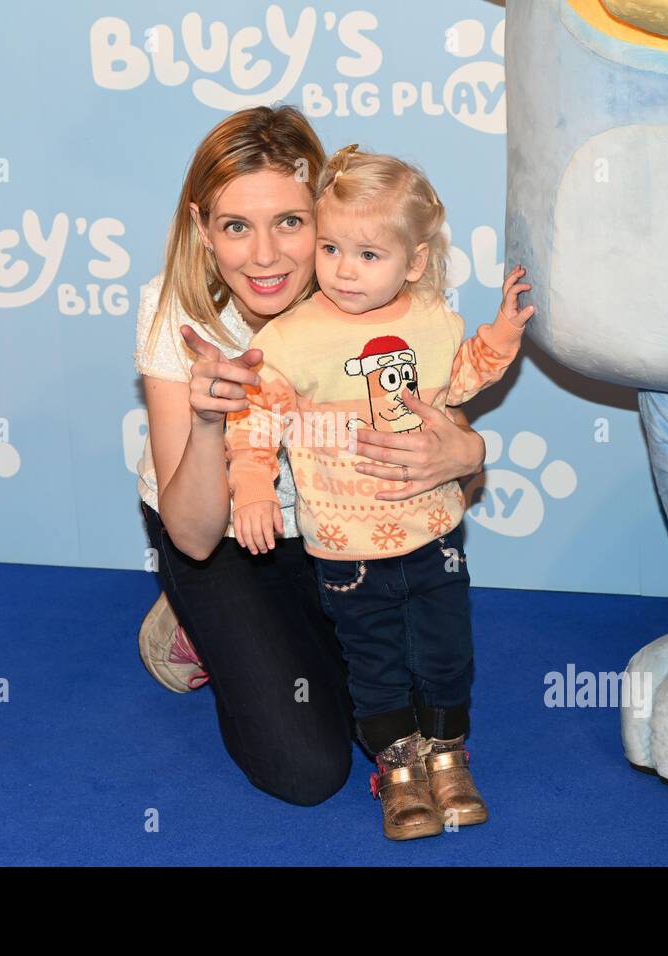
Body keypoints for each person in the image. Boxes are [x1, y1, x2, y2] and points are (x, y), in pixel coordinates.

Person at [133, 106, 490, 807]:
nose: (265, 257)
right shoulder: (176, 314)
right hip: (225, 535)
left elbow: (447, 470)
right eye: (237, 226)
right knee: (308, 770)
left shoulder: (384, 293)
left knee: (400, 697)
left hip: (350, 539)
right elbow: (195, 533)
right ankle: (191, 618)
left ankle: (272, 631)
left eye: (290, 223)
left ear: (326, 218)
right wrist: (211, 423)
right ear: (204, 229)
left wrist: (468, 450)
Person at [225, 145, 534, 839]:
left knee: (446, 652)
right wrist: (251, 486)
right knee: (375, 663)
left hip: (435, 537)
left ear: (415, 262)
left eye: (368, 255)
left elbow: (458, 380)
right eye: (331, 247)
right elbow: (253, 420)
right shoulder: (290, 339)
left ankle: (448, 755)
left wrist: (504, 333)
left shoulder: (430, 319)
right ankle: (398, 771)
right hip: (345, 549)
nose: (342, 269)